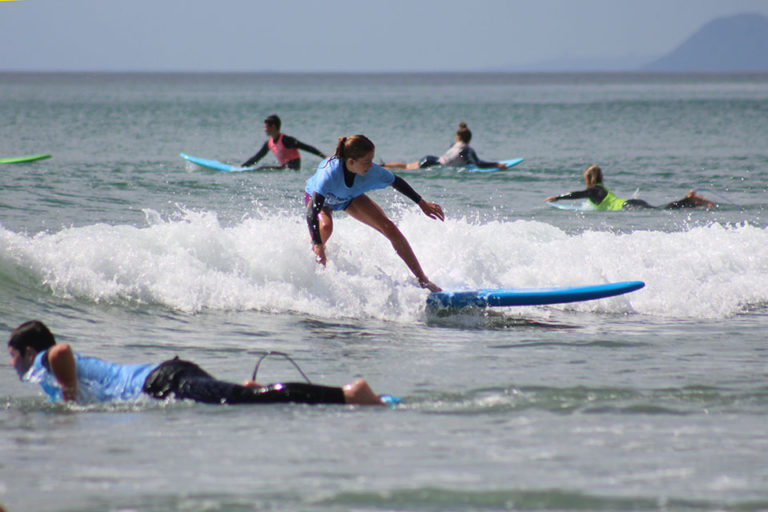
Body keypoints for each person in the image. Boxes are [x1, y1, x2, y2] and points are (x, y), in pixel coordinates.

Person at [8, 320, 384, 406]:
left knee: (246, 402)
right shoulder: (45, 378)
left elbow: (61, 350)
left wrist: (70, 397)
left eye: (12, 355)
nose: (10, 363)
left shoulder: (44, 359)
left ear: (27, 352)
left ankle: (350, 394)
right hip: (167, 375)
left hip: (162, 381)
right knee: (239, 396)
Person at [305, 134, 444, 292]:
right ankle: (315, 274)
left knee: (388, 227)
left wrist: (421, 202)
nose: (371, 166)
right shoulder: (329, 173)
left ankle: (423, 281)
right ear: (351, 162)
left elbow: (396, 181)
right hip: (321, 201)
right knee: (326, 227)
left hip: (348, 198)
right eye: (367, 162)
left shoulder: (370, 170)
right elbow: (312, 211)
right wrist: (317, 244)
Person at [545, 165, 715, 211]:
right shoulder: (600, 189)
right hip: (630, 203)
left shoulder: (592, 190)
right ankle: (691, 201)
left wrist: (557, 197)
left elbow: (577, 194)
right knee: (660, 209)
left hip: (628, 206)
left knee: (661, 211)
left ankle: (690, 199)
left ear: (587, 178)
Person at [382, 122, 508, 170]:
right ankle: (383, 167)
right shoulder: (467, 149)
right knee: (407, 169)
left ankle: (383, 165)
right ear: (469, 138)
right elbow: (478, 163)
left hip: (431, 159)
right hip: (433, 164)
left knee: (406, 166)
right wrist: (496, 164)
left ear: (458, 137)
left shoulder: (455, 145)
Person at [241, 114, 326, 170]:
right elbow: (257, 157)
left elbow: (307, 147)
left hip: (292, 168)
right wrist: (243, 166)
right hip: (283, 168)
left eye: (266, 127)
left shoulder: (286, 140)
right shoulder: (269, 143)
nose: (264, 130)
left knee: (263, 168)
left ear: (273, 127)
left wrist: (324, 157)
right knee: (262, 168)